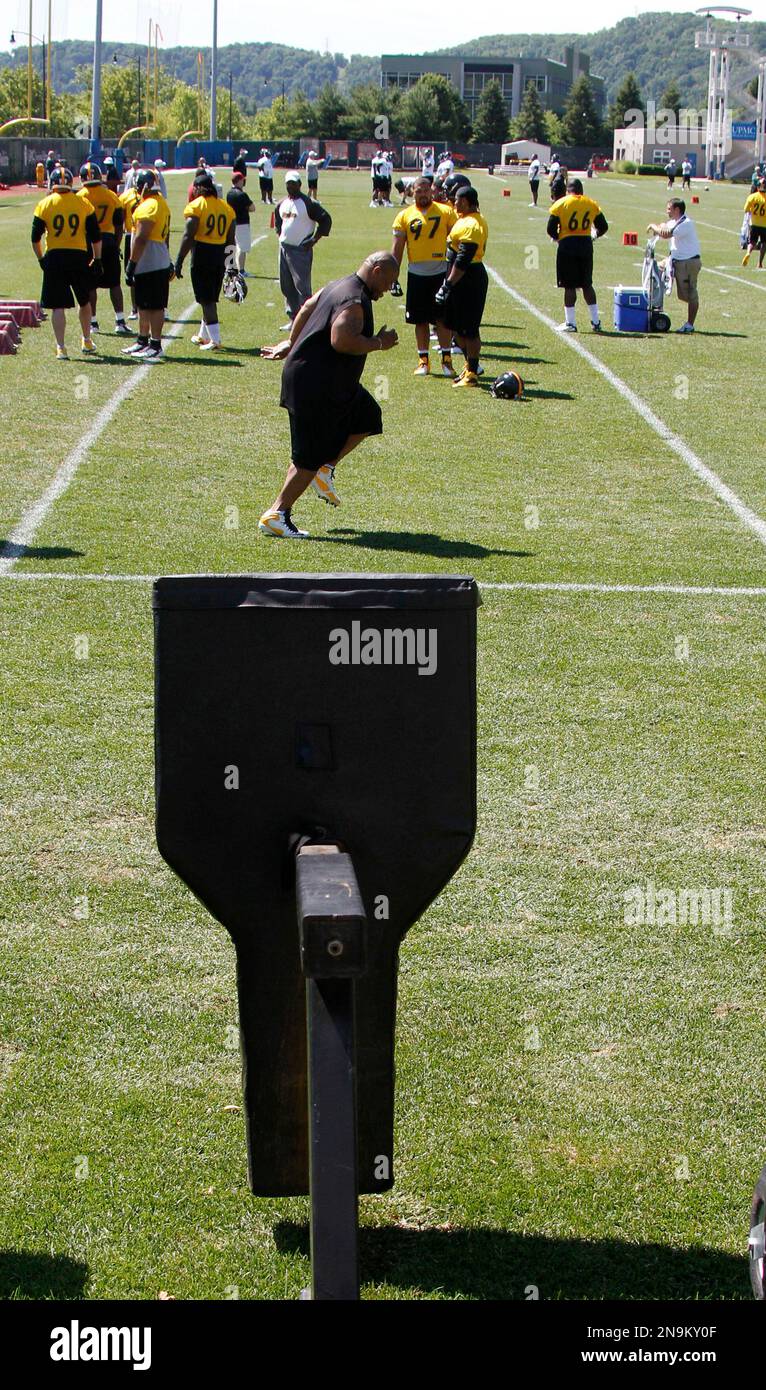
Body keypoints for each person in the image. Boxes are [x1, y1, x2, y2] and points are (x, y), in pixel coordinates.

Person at [257, 251, 399, 538]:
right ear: (377, 271)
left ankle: (325, 467)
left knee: (367, 415)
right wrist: (379, 343)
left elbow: (307, 307)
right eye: (389, 282)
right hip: (314, 386)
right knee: (307, 458)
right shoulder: (354, 301)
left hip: (328, 384)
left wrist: (291, 342)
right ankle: (277, 514)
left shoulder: (338, 285)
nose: (388, 289)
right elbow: (341, 340)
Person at [31, 167, 102, 360]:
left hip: (55, 257)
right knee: (84, 301)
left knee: (57, 306)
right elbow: (96, 236)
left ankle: (61, 347)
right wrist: (97, 258)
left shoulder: (44, 204)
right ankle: (86, 339)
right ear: (71, 182)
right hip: (79, 256)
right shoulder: (83, 202)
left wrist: (41, 258)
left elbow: (35, 238)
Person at [391, 176, 457, 377]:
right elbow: (397, 248)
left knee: (442, 319)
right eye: (418, 191)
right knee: (420, 320)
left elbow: (457, 241)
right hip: (416, 274)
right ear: (412, 192)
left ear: (432, 191)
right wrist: (393, 276)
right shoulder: (404, 216)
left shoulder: (446, 212)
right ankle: (423, 360)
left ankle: (446, 359)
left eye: (426, 190)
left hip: (440, 272)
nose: (422, 194)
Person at [434, 184, 488, 389]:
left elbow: (463, 260)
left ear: (465, 201)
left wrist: (447, 284)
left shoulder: (472, 224)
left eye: (456, 199)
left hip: (468, 278)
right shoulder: (465, 219)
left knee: (469, 329)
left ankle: (472, 372)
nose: (454, 202)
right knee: (457, 326)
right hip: (460, 277)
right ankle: (469, 366)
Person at [175, 172, 237, 350]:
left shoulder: (196, 206)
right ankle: (204, 335)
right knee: (210, 297)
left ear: (199, 188)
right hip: (219, 254)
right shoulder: (227, 208)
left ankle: (215, 340)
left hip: (202, 253)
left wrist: (179, 260)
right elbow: (231, 240)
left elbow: (188, 235)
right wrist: (231, 264)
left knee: (206, 299)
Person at [122, 169, 173, 363]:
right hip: (152, 260)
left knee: (155, 305)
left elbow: (141, 238)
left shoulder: (150, 206)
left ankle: (156, 344)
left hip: (150, 261)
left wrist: (131, 264)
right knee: (143, 304)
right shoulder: (158, 203)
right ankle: (143, 340)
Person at [548, 176, 608, 334]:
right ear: (581, 190)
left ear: (568, 190)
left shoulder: (561, 203)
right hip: (586, 245)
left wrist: (558, 238)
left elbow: (550, 228)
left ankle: (571, 322)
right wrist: (594, 235)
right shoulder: (590, 203)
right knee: (587, 284)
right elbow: (603, 226)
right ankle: (596, 322)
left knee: (569, 285)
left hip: (567, 245)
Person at [76, 162, 130, 335]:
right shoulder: (111, 196)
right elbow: (119, 225)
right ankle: (120, 320)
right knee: (114, 283)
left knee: (91, 285)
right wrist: (116, 244)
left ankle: (93, 322)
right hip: (108, 240)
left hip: (88, 242)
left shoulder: (80, 196)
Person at [275, 171, 332, 329]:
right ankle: (294, 319)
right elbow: (278, 221)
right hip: (284, 248)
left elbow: (325, 219)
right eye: (288, 183)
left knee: (302, 288)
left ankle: (307, 321)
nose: (290, 186)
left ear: (300, 184)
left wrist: (314, 239)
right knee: (286, 286)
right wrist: (280, 235)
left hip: (300, 250)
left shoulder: (308, 203)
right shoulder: (282, 203)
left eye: (293, 183)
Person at [647, 197, 701, 333]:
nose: (667, 211)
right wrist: (660, 226)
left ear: (677, 209)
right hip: (675, 260)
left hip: (688, 262)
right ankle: (655, 305)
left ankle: (689, 324)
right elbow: (664, 227)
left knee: (689, 295)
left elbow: (666, 234)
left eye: (669, 209)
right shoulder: (674, 222)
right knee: (655, 269)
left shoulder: (685, 223)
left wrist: (653, 226)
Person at [119, 171, 146, 321]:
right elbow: (121, 218)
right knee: (131, 273)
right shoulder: (126, 196)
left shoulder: (150, 197)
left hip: (146, 235)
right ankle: (135, 308)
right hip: (131, 234)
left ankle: (146, 306)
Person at [227, 171, 255, 274]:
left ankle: (229, 267)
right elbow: (252, 208)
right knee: (242, 247)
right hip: (242, 223)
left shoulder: (229, 193)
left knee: (232, 245)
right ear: (239, 181)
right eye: (243, 180)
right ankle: (241, 270)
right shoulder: (242, 195)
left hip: (232, 222)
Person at [742, 178, 766, 268]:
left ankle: (748, 252)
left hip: (754, 223)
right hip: (764, 224)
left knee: (752, 242)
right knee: (764, 243)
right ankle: (759, 263)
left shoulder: (752, 197)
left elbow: (746, 209)